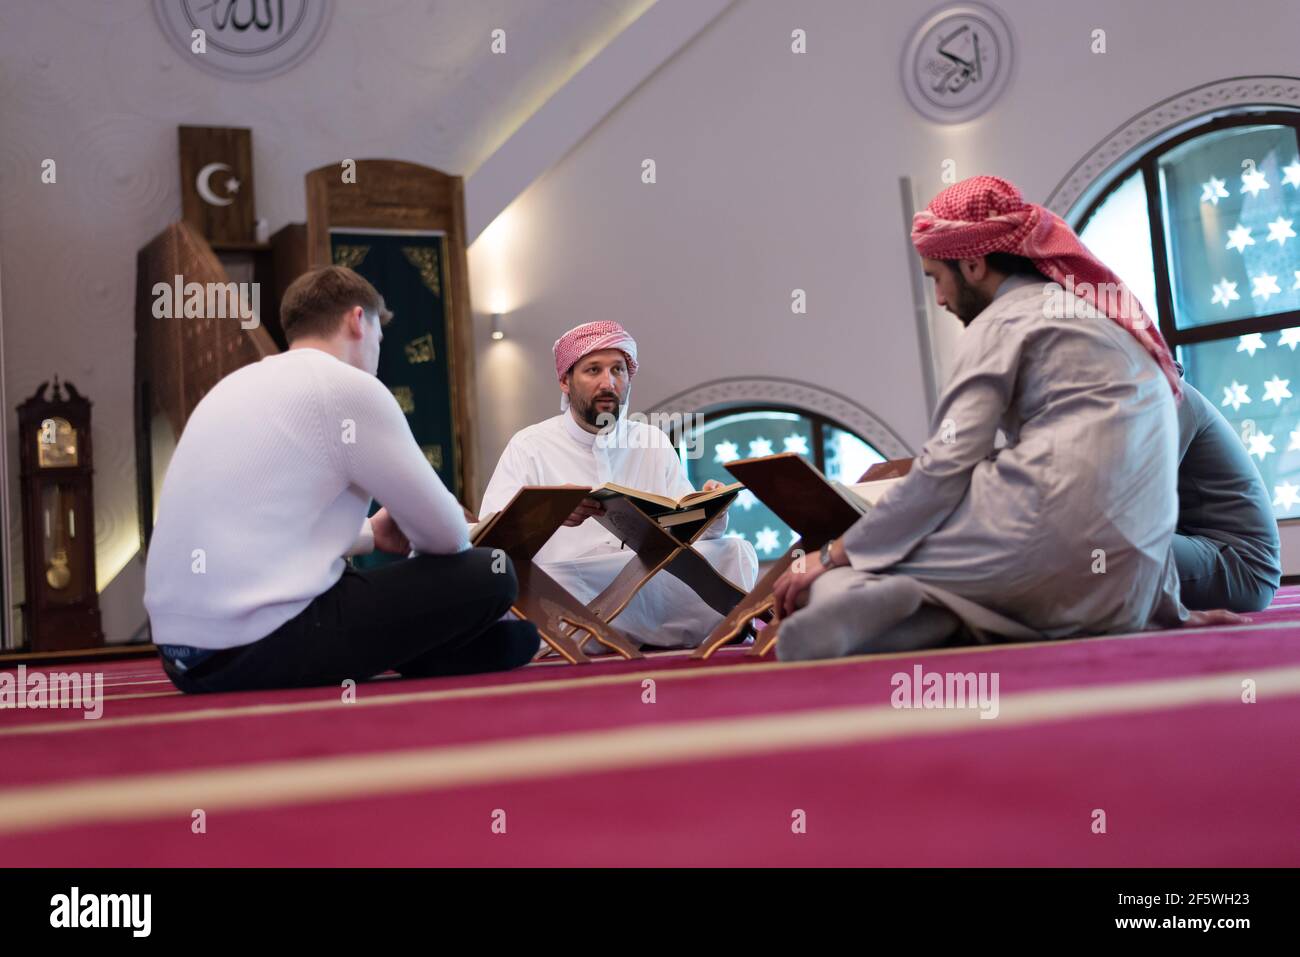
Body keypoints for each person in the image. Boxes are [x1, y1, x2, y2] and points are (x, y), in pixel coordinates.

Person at [771, 175, 1245, 661]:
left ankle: (864, 598)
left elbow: (944, 468)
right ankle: (908, 608)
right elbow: (1140, 480)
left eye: (936, 277)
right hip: (1126, 590)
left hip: (1035, 544)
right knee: (989, 602)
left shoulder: (1003, 319)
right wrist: (1167, 607)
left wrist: (829, 556)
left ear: (973, 264)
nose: (938, 299)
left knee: (836, 575)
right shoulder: (1106, 319)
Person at [144, 265, 538, 692]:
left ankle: (434, 649)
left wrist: (370, 534)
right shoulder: (347, 387)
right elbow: (447, 539)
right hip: (258, 646)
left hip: (184, 660)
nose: (377, 352)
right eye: (379, 339)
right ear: (357, 320)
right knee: (491, 575)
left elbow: (263, 531)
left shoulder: (232, 387)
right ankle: (437, 650)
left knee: (480, 622)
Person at [480, 320, 758, 649]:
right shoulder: (529, 446)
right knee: (512, 579)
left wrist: (710, 507)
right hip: (575, 578)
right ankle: (674, 628)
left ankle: (611, 634)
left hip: (649, 572)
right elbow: (491, 540)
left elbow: (683, 527)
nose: (608, 383)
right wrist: (549, 516)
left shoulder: (651, 440)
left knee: (734, 552)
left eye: (618, 370)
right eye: (593, 370)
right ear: (565, 381)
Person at [1172, 366, 1281, 612]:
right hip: (1196, 546)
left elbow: (1134, 505)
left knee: (1099, 547)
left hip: (1240, 568)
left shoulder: (1168, 396)